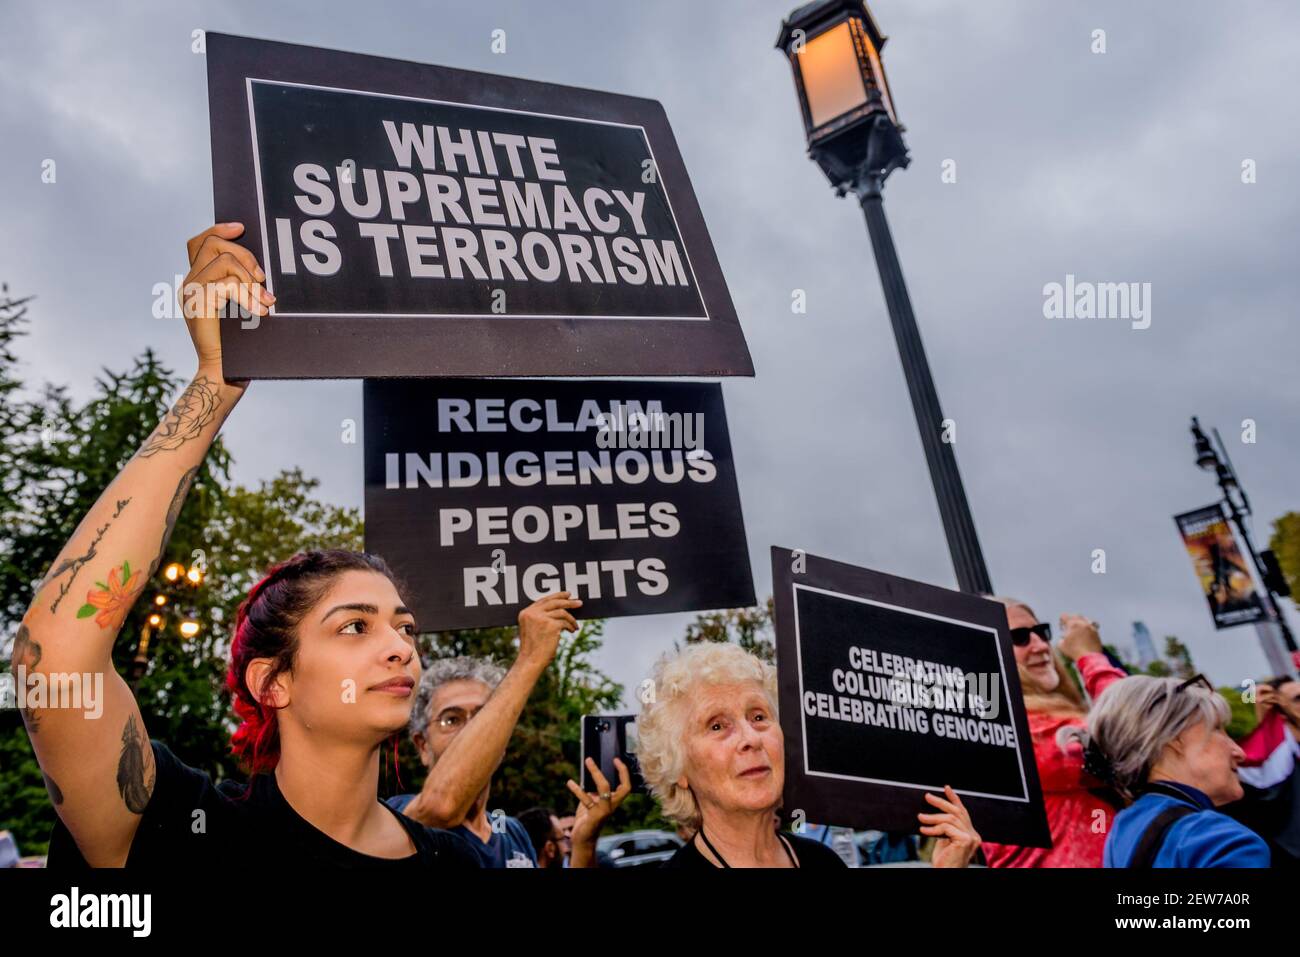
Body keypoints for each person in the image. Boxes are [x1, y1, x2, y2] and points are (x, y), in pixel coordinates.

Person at [16, 222, 558, 868]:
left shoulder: (456, 860)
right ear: (272, 681)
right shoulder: (190, 832)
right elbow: (55, 664)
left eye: (405, 626)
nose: (400, 646)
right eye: (354, 625)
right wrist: (215, 382)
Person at [634, 642, 982, 868]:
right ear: (676, 765)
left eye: (759, 717)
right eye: (716, 726)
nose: (750, 739)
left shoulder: (822, 861)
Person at [1061, 674, 1270, 867]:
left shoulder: (1120, 835)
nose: (1239, 752)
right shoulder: (1223, 844)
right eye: (1217, 728)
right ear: (1172, 738)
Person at [978, 599, 1126, 867]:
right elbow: (1131, 734)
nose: (1041, 646)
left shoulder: (1039, 719)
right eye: (1020, 638)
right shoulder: (1016, 728)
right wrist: (1089, 656)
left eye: (1042, 632)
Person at [388, 655, 548, 867]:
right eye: (452, 719)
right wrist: (531, 658)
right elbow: (440, 807)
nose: (473, 732)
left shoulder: (513, 832)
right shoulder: (398, 816)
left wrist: (585, 842)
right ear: (423, 746)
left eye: (484, 718)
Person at [1226, 675, 1300, 866]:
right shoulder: (1264, 764)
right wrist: (1251, 703)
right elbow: (1238, 712)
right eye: (1298, 699)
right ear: (1280, 711)